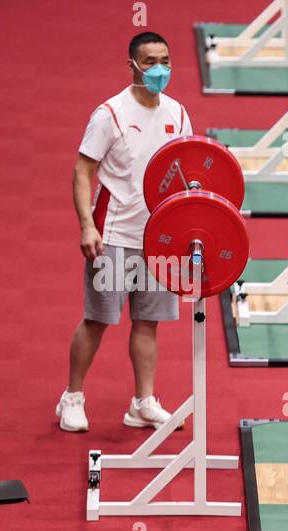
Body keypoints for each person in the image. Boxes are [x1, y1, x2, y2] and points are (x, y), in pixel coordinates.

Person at [62, 32, 191, 432]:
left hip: (160, 237)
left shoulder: (179, 112)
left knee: (148, 322)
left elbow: (187, 171)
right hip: (114, 234)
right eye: (150, 62)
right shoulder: (111, 114)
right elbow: (83, 171)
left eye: (165, 61)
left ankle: (142, 403)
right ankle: (72, 397)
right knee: (98, 319)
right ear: (132, 65)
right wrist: (86, 226)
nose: (159, 70)